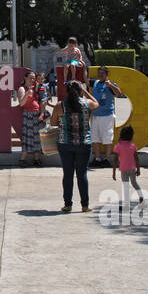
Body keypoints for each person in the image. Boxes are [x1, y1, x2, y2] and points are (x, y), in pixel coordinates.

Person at [49, 79, 98, 212]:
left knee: (68, 174)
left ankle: (68, 204)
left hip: (65, 143)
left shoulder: (60, 106)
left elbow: (53, 123)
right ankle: (85, 205)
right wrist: (86, 92)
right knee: (82, 174)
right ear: (80, 91)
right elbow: (97, 103)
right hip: (84, 143)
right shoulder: (87, 104)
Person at [89, 66, 125, 167]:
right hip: (96, 115)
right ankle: (97, 158)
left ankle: (107, 159)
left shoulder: (110, 84)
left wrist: (110, 86)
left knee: (107, 138)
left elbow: (118, 93)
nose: (100, 75)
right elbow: (84, 80)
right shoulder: (95, 83)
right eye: (99, 73)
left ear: (106, 75)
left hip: (107, 115)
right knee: (95, 137)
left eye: (102, 73)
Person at [17, 70, 47, 167]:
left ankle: (37, 159)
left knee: (38, 137)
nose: (32, 79)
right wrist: (27, 93)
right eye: (30, 77)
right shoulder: (22, 89)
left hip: (37, 114)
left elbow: (42, 98)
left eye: (34, 78)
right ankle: (22, 159)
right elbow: (21, 103)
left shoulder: (37, 87)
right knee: (28, 137)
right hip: (28, 115)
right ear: (25, 78)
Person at [113, 125, 144, 206]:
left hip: (123, 169)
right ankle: (141, 197)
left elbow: (115, 160)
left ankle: (127, 202)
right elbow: (137, 158)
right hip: (132, 169)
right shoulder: (133, 146)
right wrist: (138, 169)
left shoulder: (118, 146)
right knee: (134, 183)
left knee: (125, 186)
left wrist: (113, 172)